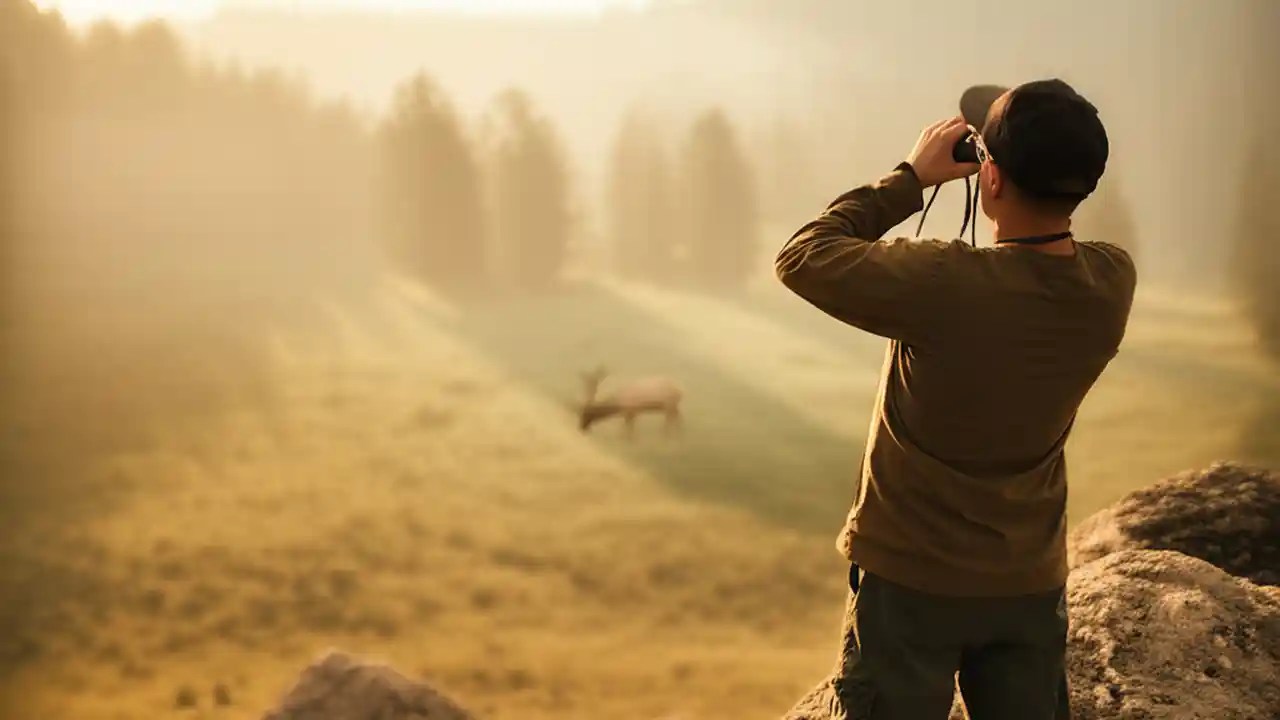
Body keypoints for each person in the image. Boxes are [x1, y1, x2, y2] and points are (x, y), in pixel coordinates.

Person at [775, 79, 1136, 719]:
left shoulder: (942, 283)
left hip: (909, 584)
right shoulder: (1111, 279)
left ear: (989, 179)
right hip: (1027, 583)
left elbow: (804, 256)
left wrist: (910, 178)